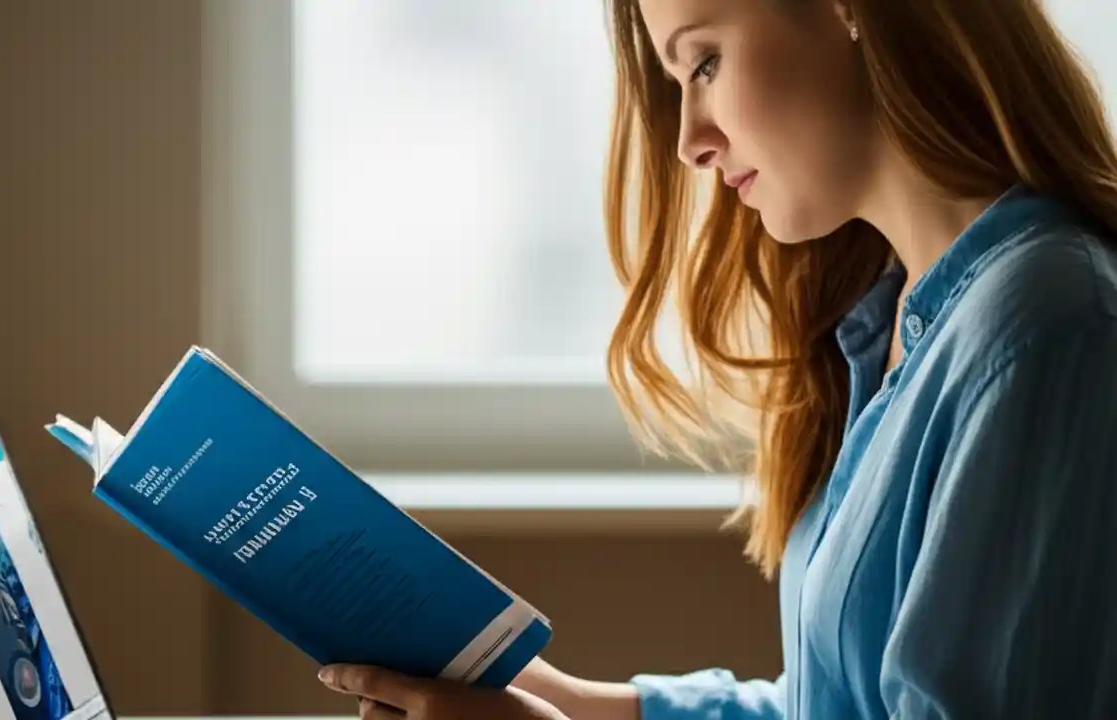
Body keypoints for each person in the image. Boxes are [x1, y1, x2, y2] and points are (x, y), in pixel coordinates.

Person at [315, 0, 1117, 717]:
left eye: (705, 62)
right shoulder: (900, 326)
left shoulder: (1044, 328)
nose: (690, 142)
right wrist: (581, 709)